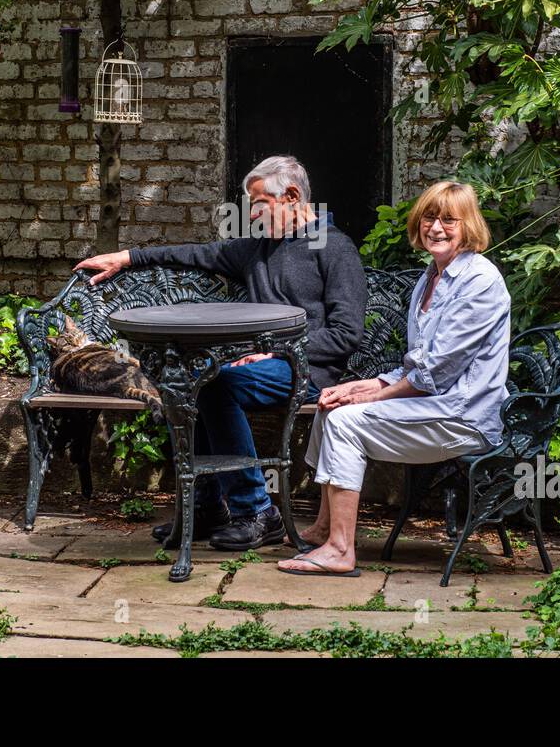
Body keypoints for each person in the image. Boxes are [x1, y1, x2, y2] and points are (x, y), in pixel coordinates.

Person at [75, 155, 367, 551]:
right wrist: (126, 257)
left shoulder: (335, 249)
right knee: (189, 385)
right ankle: (208, 506)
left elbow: (346, 335)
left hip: (307, 372)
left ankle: (257, 511)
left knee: (212, 386)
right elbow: (197, 253)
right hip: (258, 368)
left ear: (292, 196)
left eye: (259, 203)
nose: (252, 214)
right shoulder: (256, 249)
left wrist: (275, 352)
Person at [277, 180, 511, 576]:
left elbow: (435, 374)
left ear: (469, 225)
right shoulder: (432, 276)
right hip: (433, 404)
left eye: (449, 220)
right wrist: (360, 387)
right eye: (429, 218)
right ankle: (323, 528)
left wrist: (370, 398)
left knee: (347, 421)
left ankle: (340, 549)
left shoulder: (479, 282)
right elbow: (417, 366)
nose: (435, 228)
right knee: (330, 405)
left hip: (462, 417)